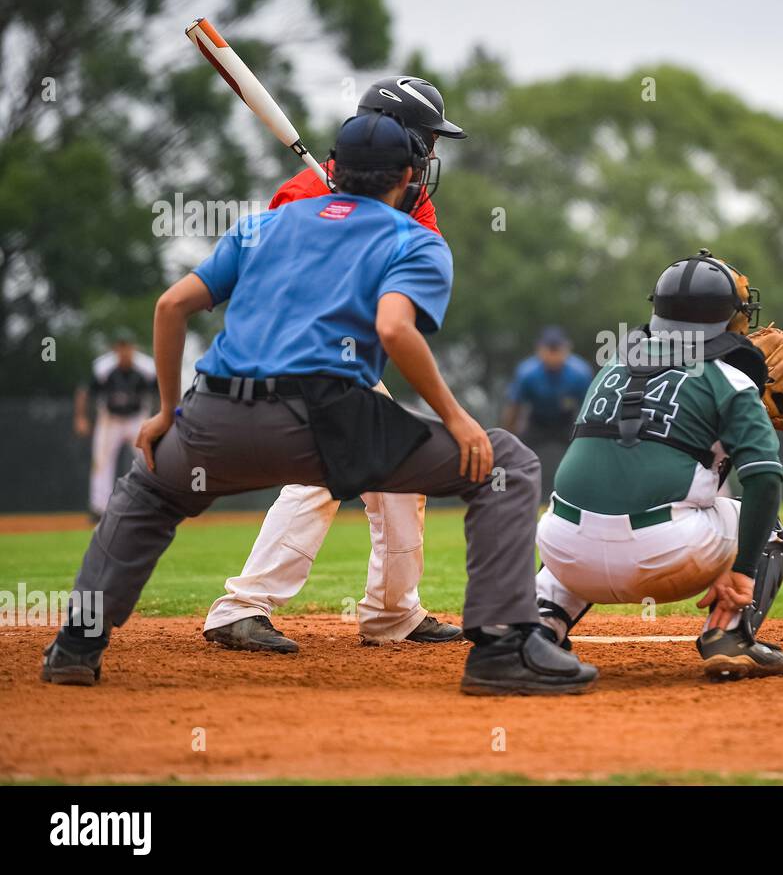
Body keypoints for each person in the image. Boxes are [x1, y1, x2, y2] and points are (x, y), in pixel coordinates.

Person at [41, 112, 598, 696]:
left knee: (148, 491)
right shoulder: (414, 239)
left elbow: (170, 307)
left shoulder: (264, 224)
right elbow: (395, 330)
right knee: (504, 464)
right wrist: (457, 419)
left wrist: (164, 413)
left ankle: (76, 646)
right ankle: (503, 652)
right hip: (328, 422)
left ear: (335, 167)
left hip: (212, 416)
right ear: (409, 175)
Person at [204, 76, 464, 652]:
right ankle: (240, 607)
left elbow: (406, 297)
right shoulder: (301, 193)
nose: (434, 152)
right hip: (284, 357)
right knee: (321, 473)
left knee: (400, 474)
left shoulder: (415, 202)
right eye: (427, 137)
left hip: (344, 365)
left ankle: (393, 613)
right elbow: (263, 287)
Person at [534, 251, 783, 681]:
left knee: (586, 506)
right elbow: (765, 480)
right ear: (727, 319)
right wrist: (743, 572)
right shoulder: (730, 381)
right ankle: (729, 634)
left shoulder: (612, 367)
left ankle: (541, 624)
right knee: (768, 519)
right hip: (665, 555)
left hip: (562, 549)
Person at [501, 326, 593, 496]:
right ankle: (509, 493)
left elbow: (589, 406)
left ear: (566, 349)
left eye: (557, 349)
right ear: (539, 350)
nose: (553, 355)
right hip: (537, 420)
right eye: (549, 349)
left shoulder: (580, 372)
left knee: (588, 453)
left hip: (566, 420)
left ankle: (587, 495)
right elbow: (514, 407)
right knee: (513, 453)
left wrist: (589, 437)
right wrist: (508, 437)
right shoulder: (527, 373)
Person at [74, 331, 156, 521]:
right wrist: (80, 417)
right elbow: (84, 391)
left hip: (137, 418)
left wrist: (162, 417)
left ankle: (154, 503)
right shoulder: (103, 367)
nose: (124, 351)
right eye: (120, 347)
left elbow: (160, 392)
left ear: (133, 348)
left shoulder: (146, 367)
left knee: (149, 459)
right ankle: (98, 508)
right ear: (115, 349)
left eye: (127, 346)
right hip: (110, 419)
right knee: (101, 462)